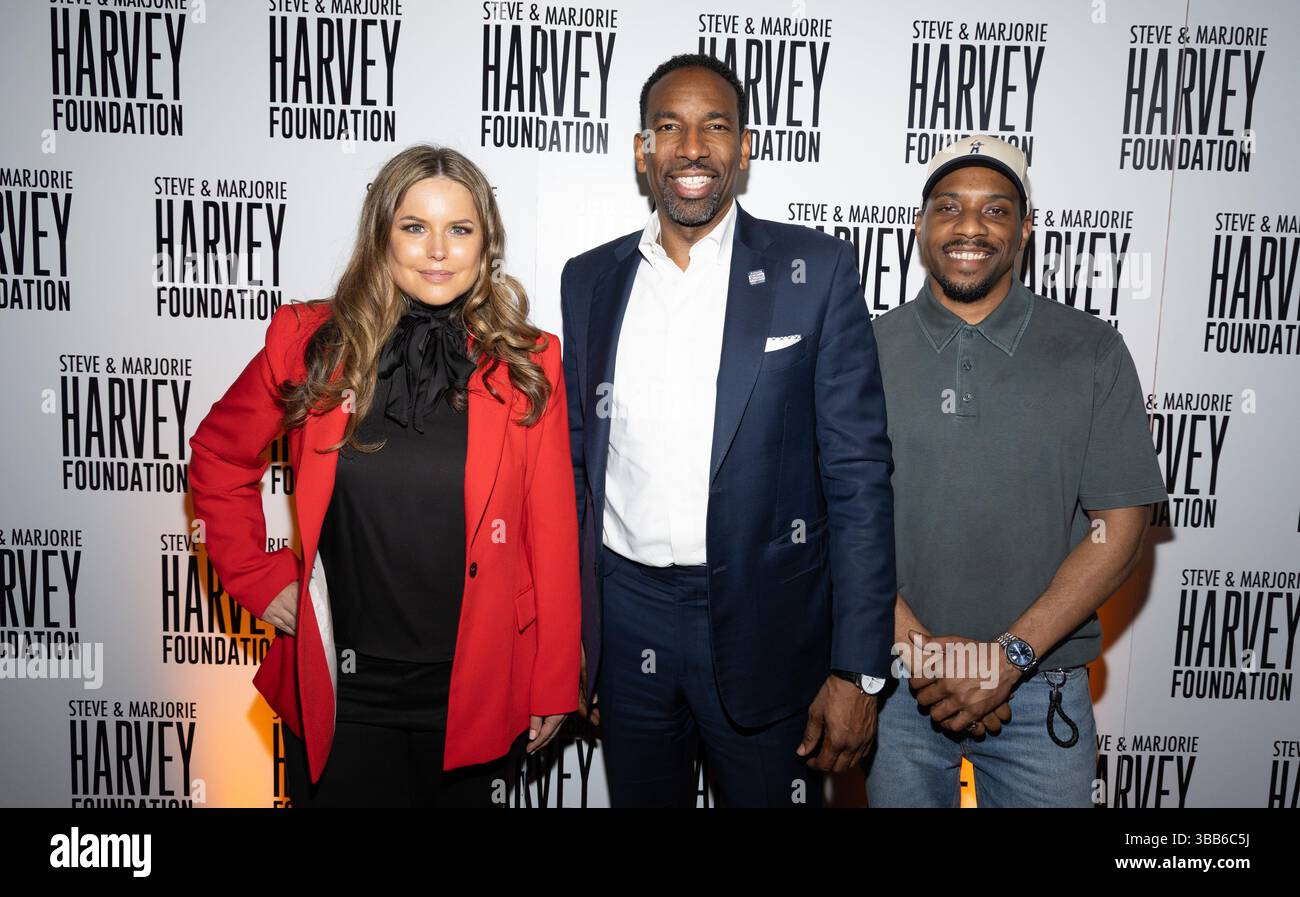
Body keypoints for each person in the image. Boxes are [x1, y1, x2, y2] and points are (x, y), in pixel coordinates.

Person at [188, 144, 581, 807]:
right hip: (346, 690)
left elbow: (552, 531)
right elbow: (219, 455)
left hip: (477, 687)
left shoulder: (529, 361)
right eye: (414, 226)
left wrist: (550, 681)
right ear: (382, 235)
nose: (437, 249)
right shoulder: (309, 342)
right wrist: (257, 575)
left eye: (459, 229)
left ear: (487, 244)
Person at [560, 54, 896, 807]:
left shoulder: (816, 269)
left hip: (770, 626)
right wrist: (578, 644)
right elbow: (580, 473)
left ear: (745, 149)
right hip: (626, 614)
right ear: (642, 150)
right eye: (669, 127)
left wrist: (857, 668)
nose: (691, 148)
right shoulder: (589, 279)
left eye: (715, 126)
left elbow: (859, 476)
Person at [866, 135, 1168, 807]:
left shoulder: (1090, 350)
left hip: (1041, 695)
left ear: (1026, 227)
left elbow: (1120, 526)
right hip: (897, 690)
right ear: (920, 224)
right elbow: (835, 519)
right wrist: (924, 652)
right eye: (949, 206)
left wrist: (1005, 659)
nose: (970, 226)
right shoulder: (863, 350)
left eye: (995, 210)